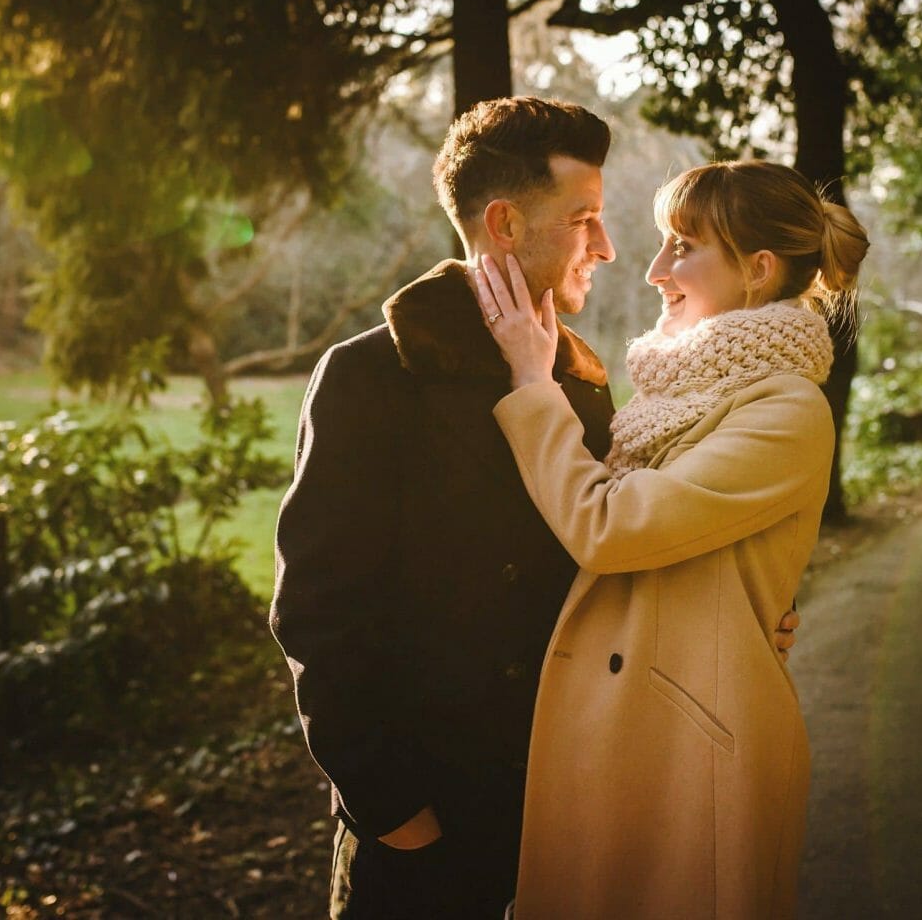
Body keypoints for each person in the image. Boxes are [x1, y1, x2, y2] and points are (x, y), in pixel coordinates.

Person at [270, 100, 801, 919]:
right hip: (425, 844)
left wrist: (727, 607)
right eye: (585, 218)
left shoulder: (579, 385)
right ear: (505, 224)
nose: (610, 248)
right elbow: (316, 617)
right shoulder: (372, 377)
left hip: (568, 815)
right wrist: (397, 816)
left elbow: (609, 555)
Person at [472, 159, 869, 919]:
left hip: (696, 752)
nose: (656, 271)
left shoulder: (785, 412)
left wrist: (532, 383)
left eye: (683, 247)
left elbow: (610, 527)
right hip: (631, 732)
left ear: (758, 270)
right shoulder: (680, 394)